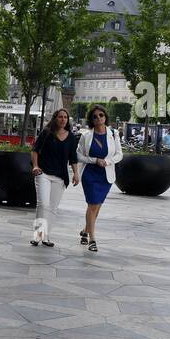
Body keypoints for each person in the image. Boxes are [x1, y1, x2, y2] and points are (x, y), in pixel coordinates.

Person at [30, 109, 80, 248]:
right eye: (60, 117)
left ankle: (46, 236)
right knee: (43, 204)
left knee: (52, 208)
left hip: (60, 176)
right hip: (43, 173)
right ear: (55, 118)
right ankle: (38, 235)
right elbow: (35, 150)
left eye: (65, 117)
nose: (63, 119)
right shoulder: (46, 133)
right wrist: (35, 166)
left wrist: (76, 174)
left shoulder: (71, 137)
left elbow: (73, 158)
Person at [77, 105, 123, 253]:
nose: (98, 118)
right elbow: (79, 155)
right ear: (91, 119)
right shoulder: (86, 136)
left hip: (106, 175)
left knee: (96, 206)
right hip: (90, 174)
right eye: (95, 116)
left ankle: (85, 231)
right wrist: (94, 160)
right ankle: (92, 240)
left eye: (101, 115)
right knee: (92, 205)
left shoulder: (114, 134)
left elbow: (119, 154)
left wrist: (107, 162)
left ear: (105, 117)